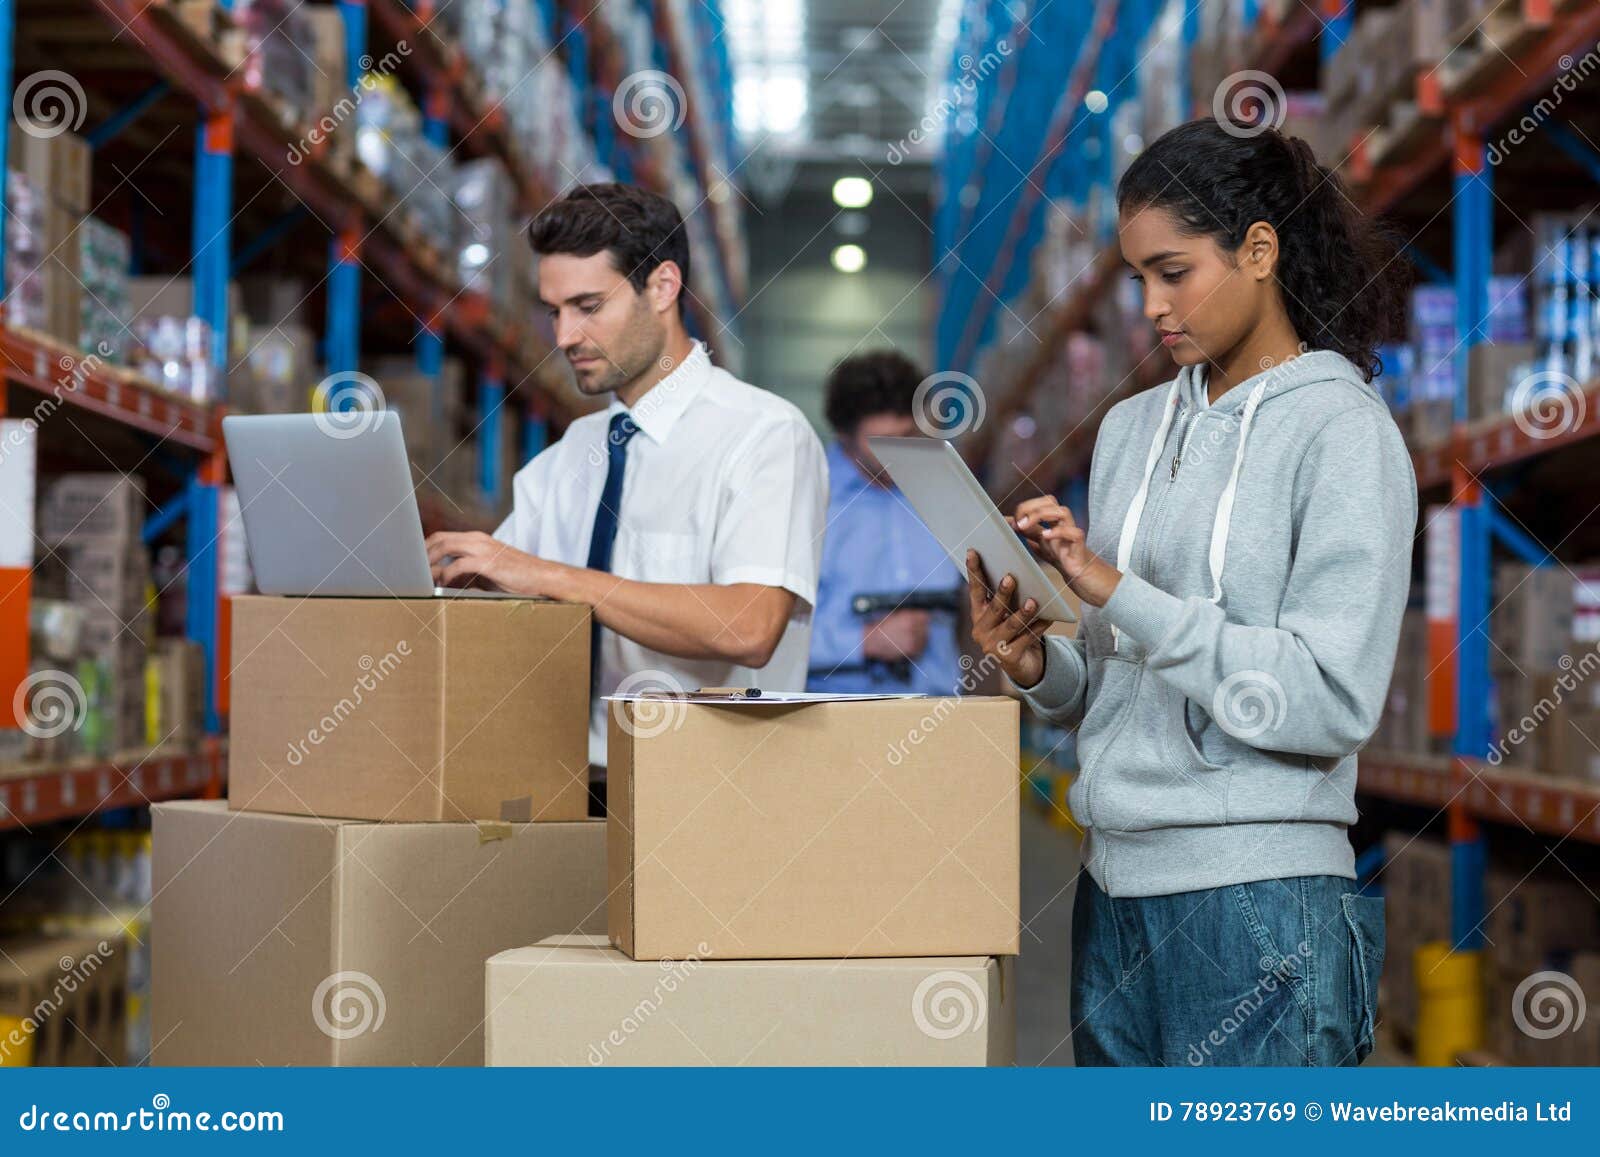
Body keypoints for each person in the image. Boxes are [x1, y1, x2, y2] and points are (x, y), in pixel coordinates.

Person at [965, 119, 1415, 1066]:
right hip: (1113, 893)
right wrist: (1040, 663)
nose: (1152, 306)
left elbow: (1329, 698)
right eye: (1137, 278)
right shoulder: (1131, 428)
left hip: (1261, 904)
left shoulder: (1343, 432)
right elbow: (1120, 677)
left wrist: (1119, 590)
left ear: (1259, 250)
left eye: (1175, 272)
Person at [425, 183, 828, 814]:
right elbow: (505, 588)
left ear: (663, 287)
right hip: (566, 786)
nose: (564, 336)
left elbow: (750, 626)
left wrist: (551, 576)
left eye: (588, 306)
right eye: (553, 311)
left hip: (709, 797)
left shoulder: (763, 436)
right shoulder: (567, 458)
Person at [807, 351, 963, 695]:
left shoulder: (946, 491)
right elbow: (760, 634)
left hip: (940, 715)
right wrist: (862, 641)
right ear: (844, 436)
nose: (897, 453)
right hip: (834, 719)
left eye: (906, 436)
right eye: (880, 442)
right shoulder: (805, 499)